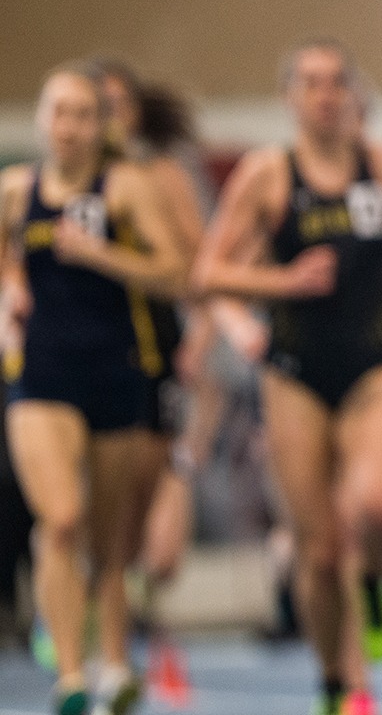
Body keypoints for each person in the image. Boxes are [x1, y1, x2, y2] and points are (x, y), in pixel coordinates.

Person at [194, 41, 382, 715]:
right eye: (311, 83)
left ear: (354, 95)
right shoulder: (267, 175)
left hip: (374, 365)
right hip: (294, 373)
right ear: (290, 97)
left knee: (378, 510)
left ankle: (376, 585)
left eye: (337, 82)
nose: (325, 95)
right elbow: (208, 274)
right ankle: (337, 683)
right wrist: (270, 292)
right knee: (318, 552)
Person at [0, 64, 187, 715]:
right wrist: (9, 293)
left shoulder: (127, 188)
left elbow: (173, 274)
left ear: (100, 125)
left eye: (84, 114)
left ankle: (113, 664)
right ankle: (71, 676)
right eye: (60, 113)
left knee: (110, 544)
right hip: (41, 374)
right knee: (59, 521)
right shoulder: (16, 193)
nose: (71, 126)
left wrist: (100, 254)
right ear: (42, 120)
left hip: (115, 369)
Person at [93, 58, 219, 702]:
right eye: (98, 103)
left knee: (156, 548)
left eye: (120, 102)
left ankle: (122, 607)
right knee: (108, 526)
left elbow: (200, 266)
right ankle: (110, 656)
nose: (110, 115)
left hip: (159, 356)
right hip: (90, 358)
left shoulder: (160, 176)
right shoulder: (71, 183)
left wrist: (200, 339)